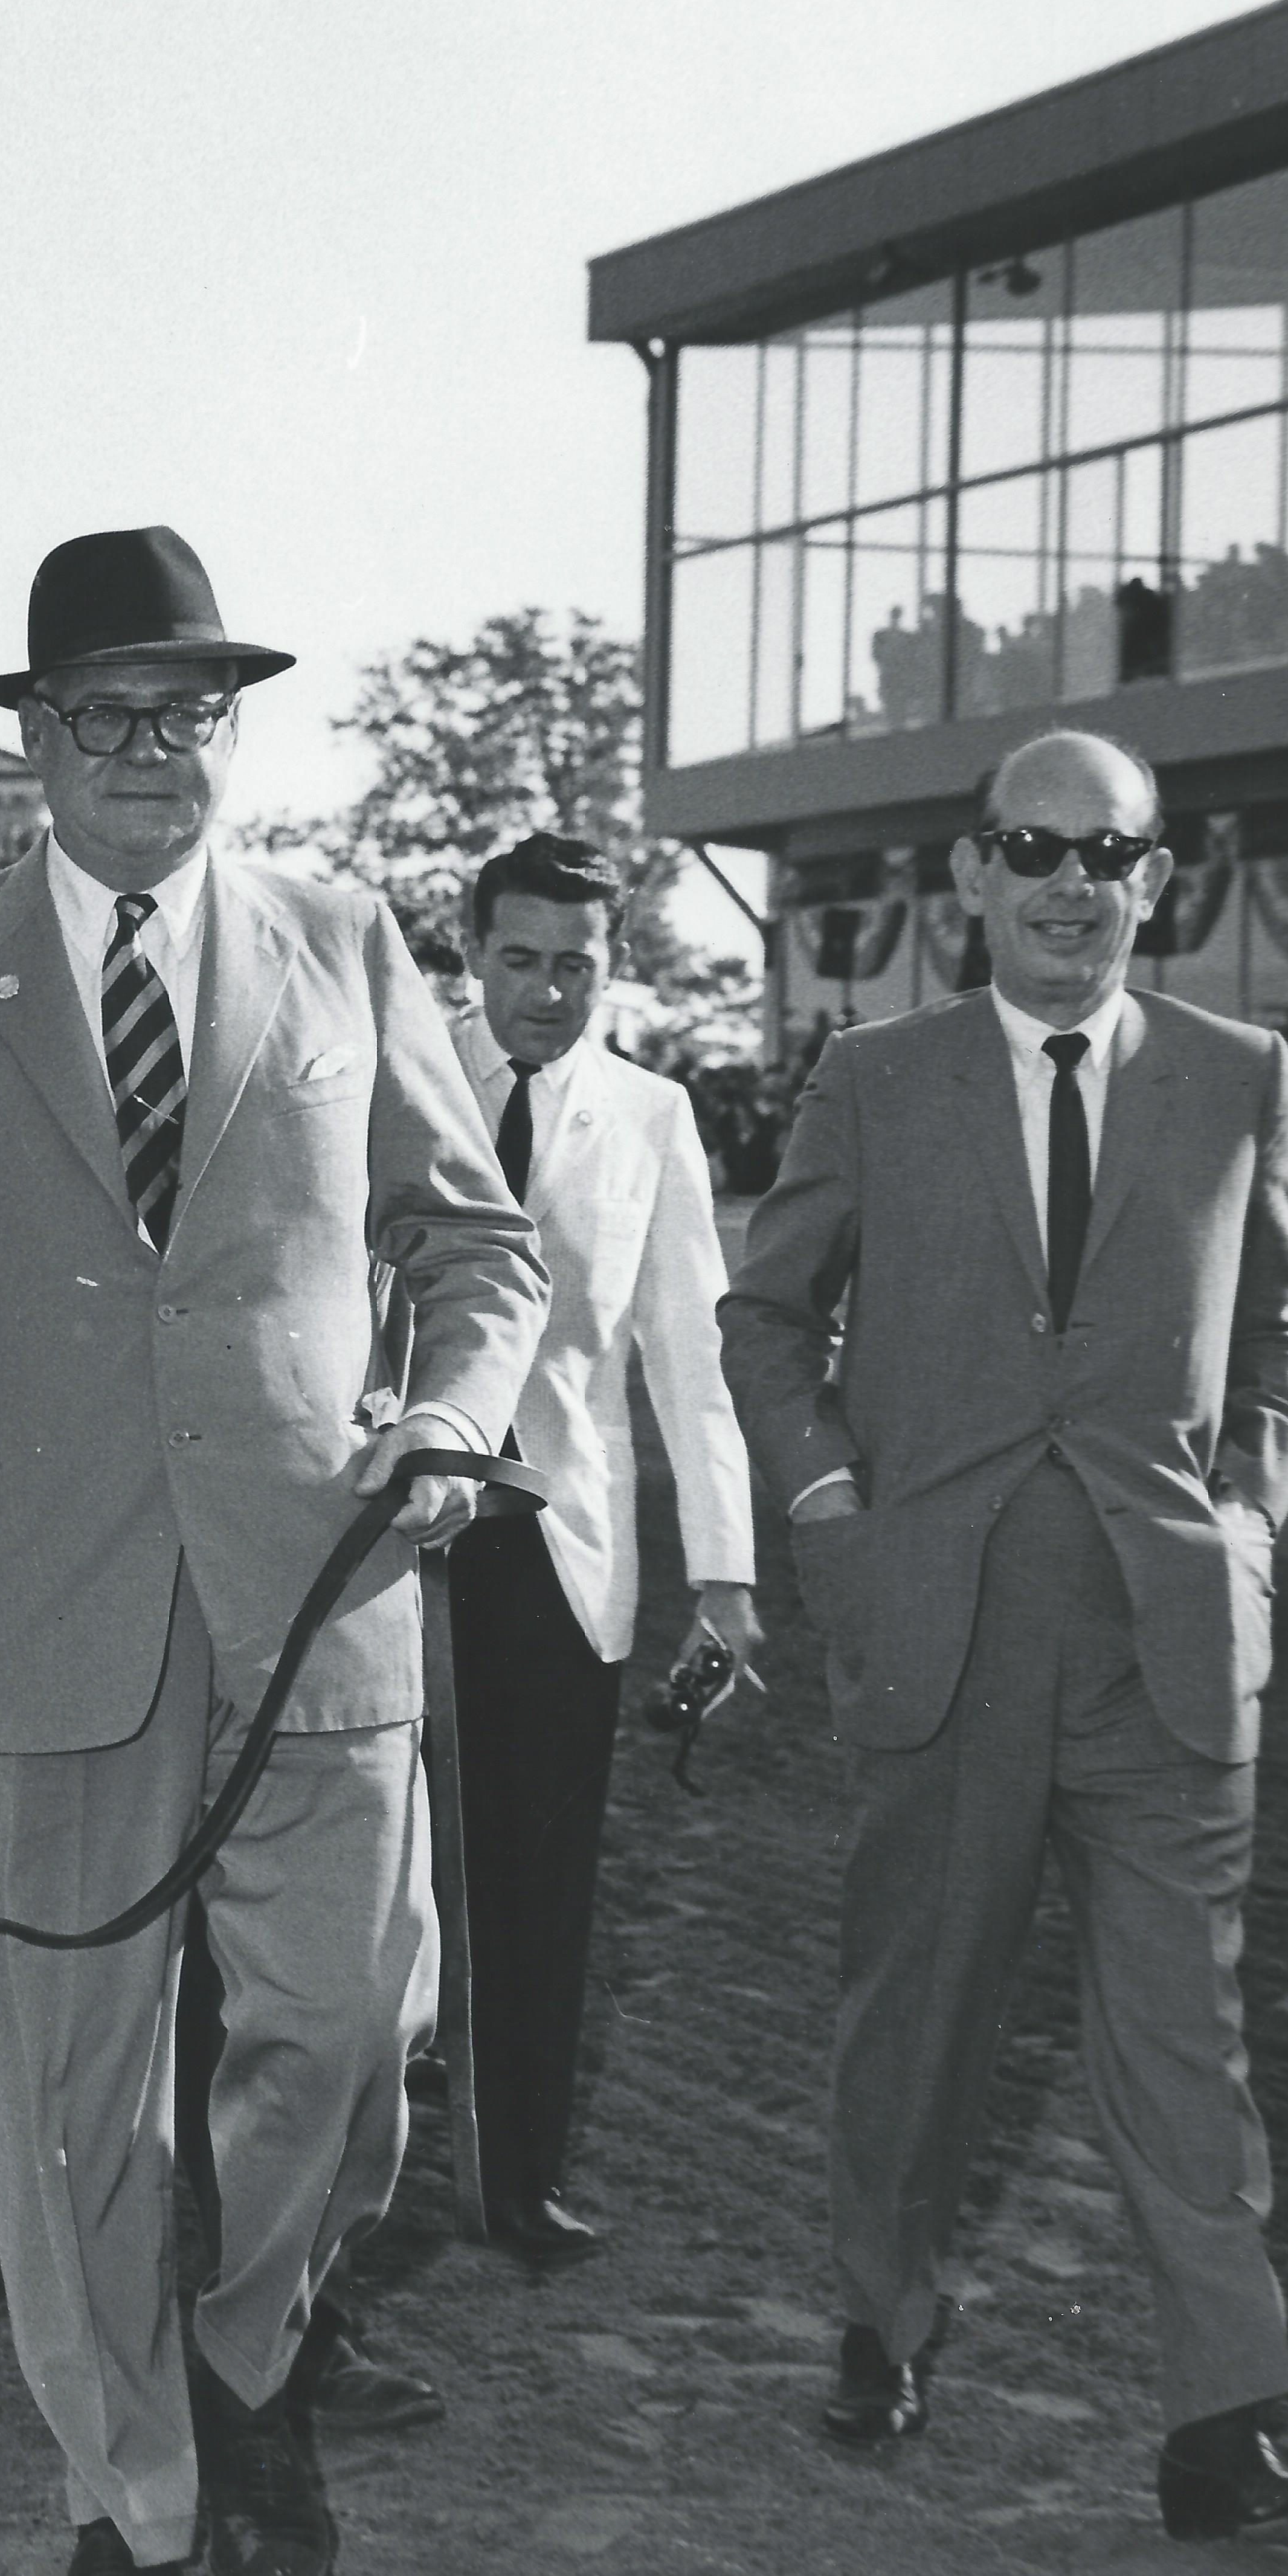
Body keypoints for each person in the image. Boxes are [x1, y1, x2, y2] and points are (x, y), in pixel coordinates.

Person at [0, 526, 544, 2576]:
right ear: (32, 743)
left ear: (232, 734)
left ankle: (245, 2359)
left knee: (347, 2038)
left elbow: (477, 1245)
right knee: (68, 2105)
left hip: (322, 1583)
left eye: (190, 714)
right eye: (105, 717)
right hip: (31, 1602)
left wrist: (454, 1412)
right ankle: (130, 2496)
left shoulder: (345, 942)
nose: (152, 753)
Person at [718, 727, 1288, 2545]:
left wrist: (1238, 1521)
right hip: (942, 1626)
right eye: (1030, 849)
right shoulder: (872, 1073)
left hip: (1162, 1638)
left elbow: (1283, 1343)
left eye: (1107, 853)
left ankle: (1220, 2425)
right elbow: (764, 1323)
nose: (1068, 883)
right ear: (968, 878)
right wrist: (831, 1506)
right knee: (916, 2016)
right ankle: (880, 2315)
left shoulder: (1240, 1076)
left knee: (1183, 2038)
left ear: (1158, 879)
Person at [440, 835, 759, 2259]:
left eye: (579, 963)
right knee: (365, 1874)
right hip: (392, 1542)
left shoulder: (651, 1115)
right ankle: (345, 2179)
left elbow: (692, 1362)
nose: (550, 991)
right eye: (522, 959)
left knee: (540, 1879)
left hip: (560, 1552)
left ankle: (518, 2180)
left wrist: (728, 1573)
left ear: (611, 965)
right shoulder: (402, 1072)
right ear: (475, 954)